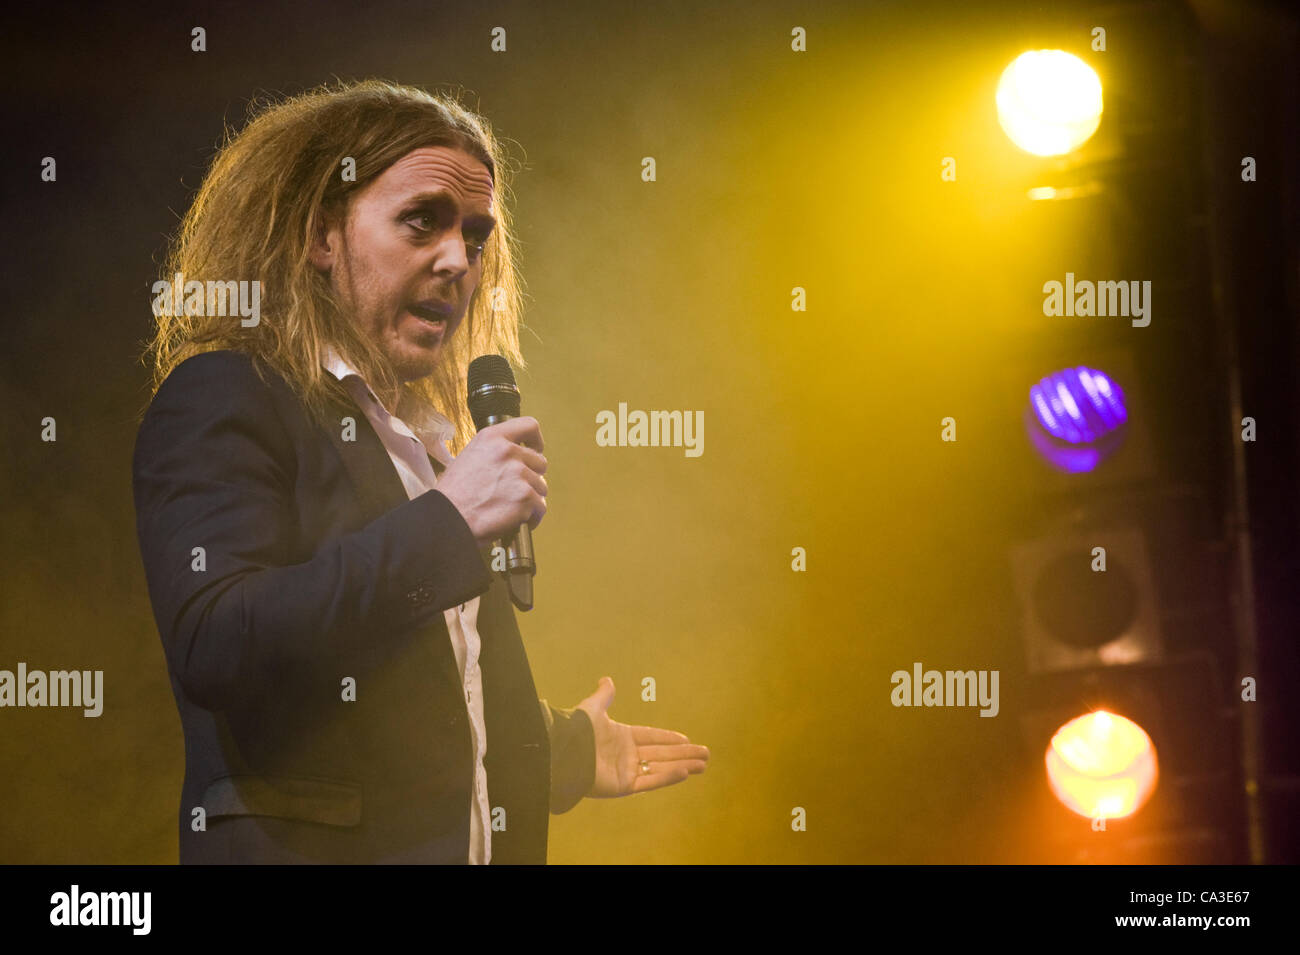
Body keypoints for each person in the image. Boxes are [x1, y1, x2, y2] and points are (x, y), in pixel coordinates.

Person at [131, 80, 709, 864]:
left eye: (475, 236)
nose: (456, 260)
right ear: (319, 235)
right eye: (420, 220)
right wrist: (448, 522)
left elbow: (413, 690)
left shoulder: (421, 442)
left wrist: (559, 748)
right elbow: (220, 642)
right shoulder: (229, 393)